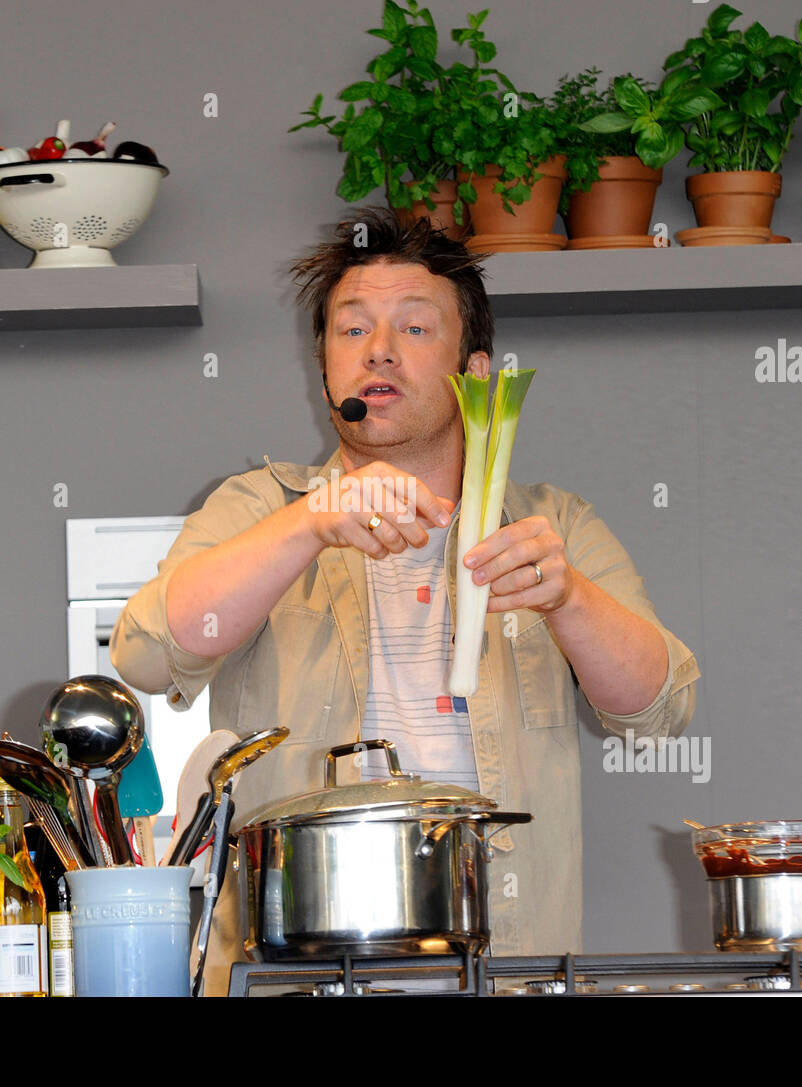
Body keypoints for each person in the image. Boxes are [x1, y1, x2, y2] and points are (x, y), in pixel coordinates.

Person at [110, 207, 701, 995]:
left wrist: (569, 599)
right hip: (298, 979)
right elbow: (149, 650)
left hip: (507, 976)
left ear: (478, 372)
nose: (378, 349)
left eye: (415, 328)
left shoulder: (551, 527)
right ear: (324, 367)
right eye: (352, 330)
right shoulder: (262, 507)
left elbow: (661, 706)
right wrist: (308, 524)